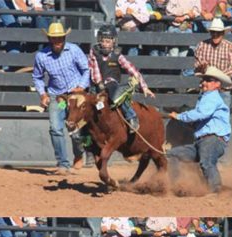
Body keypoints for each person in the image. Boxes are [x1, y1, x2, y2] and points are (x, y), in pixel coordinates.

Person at [32, 22, 90, 175]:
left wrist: (82, 86)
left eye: (60, 38)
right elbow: (37, 77)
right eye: (54, 39)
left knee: (76, 130)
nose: (57, 42)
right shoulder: (42, 56)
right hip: (57, 97)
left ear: (64, 38)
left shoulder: (74, 50)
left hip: (75, 95)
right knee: (55, 128)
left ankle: (79, 153)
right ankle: (63, 163)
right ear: (49, 39)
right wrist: (42, 94)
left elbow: (86, 70)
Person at [168, 65, 231, 193]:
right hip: (202, 142)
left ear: (217, 84)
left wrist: (180, 116)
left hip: (212, 140)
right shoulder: (206, 98)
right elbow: (201, 117)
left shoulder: (212, 98)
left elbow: (201, 114)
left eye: (207, 80)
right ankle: (177, 186)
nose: (203, 83)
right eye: (203, 80)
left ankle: (216, 191)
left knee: (206, 162)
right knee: (172, 155)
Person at [87, 24, 155, 132]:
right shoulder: (94, 52)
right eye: (102, 41)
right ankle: (82, 132)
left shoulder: (117, 55)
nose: (105, 44)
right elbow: (94, 70)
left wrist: (144, 86)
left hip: (111, 83)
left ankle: (131, 116)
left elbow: (132, 70)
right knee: (86, 104)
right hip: (96, 84)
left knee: (117, 95)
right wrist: (99, 83)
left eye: (108, 41)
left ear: (114, 41)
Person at [193, 18, 232, 107]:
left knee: (222, 117)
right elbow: (197, 65)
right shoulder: (202, 45)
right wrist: (201, 67)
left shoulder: (231, 46)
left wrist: (217, 78)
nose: (215, 34)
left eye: (218, 32)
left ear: (223, 33)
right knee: (202, 116)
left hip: (223, 89)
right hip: (206, 88)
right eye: (213, 32)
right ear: (210, 33)